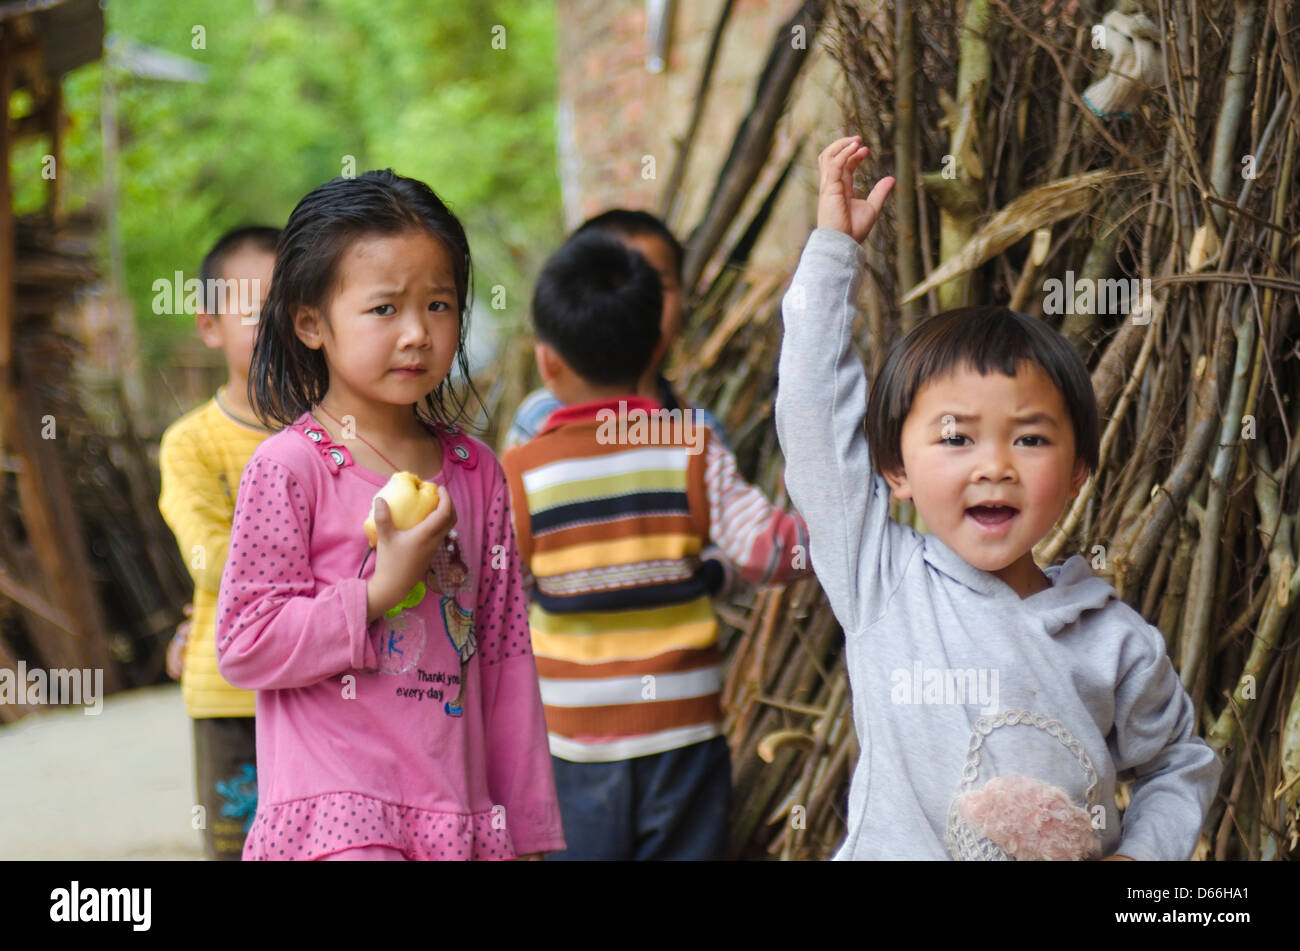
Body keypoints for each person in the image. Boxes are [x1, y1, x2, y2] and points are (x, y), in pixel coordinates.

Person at [775, 136, 1221, 860]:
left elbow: (1180, 762)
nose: (994, 466)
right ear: (895, 467)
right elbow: (811, 418)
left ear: (1078, 472)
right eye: (955, 438)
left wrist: (1140, 859)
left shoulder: (1116, 642)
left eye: (1031, 439)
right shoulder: (882, 582)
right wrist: (832, 255)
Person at [215, 170, 564, 861]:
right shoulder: (289, 468)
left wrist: (523, 831)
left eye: (438, 304)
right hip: (338, 819)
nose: (416, 333)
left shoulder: (476, 473)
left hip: (453, 815)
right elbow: (245, 640)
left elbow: (504, 659)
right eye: (384, 309)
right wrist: (378, 590)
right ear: (310, 322)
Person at [501, 230, 811, 860]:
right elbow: (767, 554)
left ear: (548, 361)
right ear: (655, 345)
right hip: (685, 737)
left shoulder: (522, 473)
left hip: (575, 746)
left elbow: (499, 593)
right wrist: (840, 529)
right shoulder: (691, 448)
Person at [158, 225, 280, 860]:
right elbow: (209, 561)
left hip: (326, 686)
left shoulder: (338, 427)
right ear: (210, 326)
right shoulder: (193, 443)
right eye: (258, 308)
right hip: (231, 694)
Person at [503, 209, 730, 453]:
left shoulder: (700, 430)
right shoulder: (538, 419)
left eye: (657, 287)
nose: (636, 306)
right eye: (613, 288)